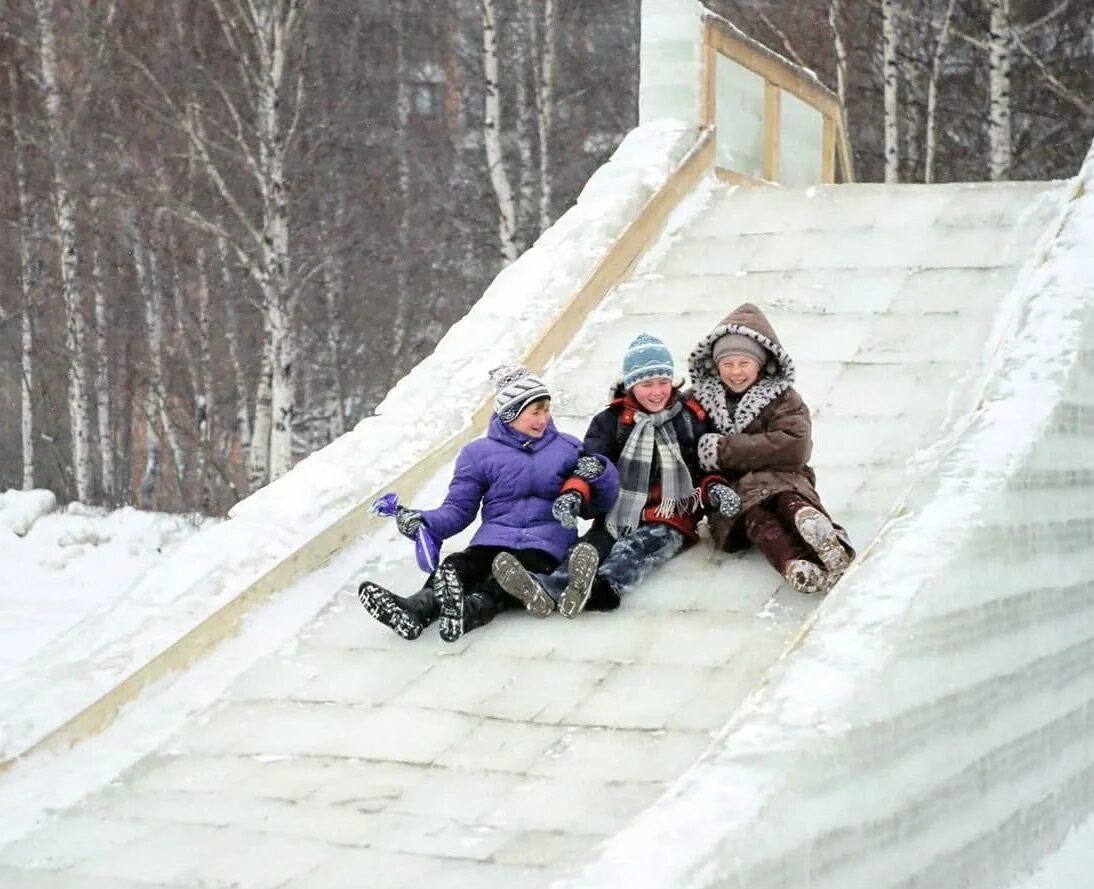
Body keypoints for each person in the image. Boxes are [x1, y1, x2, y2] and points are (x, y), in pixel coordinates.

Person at [357, 364, 619, 642]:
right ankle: (416, 609)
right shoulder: (478, 454)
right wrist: (424, 522)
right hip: (492, 539)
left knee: (503, 582)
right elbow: (458, 509)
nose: (543, 420)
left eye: (546, 410)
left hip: (545, 545)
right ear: (510, 414)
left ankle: (469, 612)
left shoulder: (568, 448)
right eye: (535, 412)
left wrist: (600, 473)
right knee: (457, 566)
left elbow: (595, 505)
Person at [493, 333, 737, 617]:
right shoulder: (610, 422)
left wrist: (716, 488)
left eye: (663, 382)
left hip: (672, 515)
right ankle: (542, 589)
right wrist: (574, 494)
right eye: (647, 384)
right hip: (618, 512)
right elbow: (592, 466)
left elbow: (705, 465)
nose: (657, 392)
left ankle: (603, 589)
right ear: (632, 385)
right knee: (585, 551)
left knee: (633, 550)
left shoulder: (690, 418)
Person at [687, 302, 853, 593]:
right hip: (731, 493)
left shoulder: (782, 397)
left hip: (784, 479)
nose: (736, 372)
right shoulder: (697, 401)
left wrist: (721, 451)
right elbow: (679, 438)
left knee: (788, 502)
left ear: (760, 363)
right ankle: (795, 565)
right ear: (715, 365)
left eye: (744, 363)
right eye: (727, 364)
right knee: (757, 523)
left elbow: (795, 446)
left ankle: (819, 532)